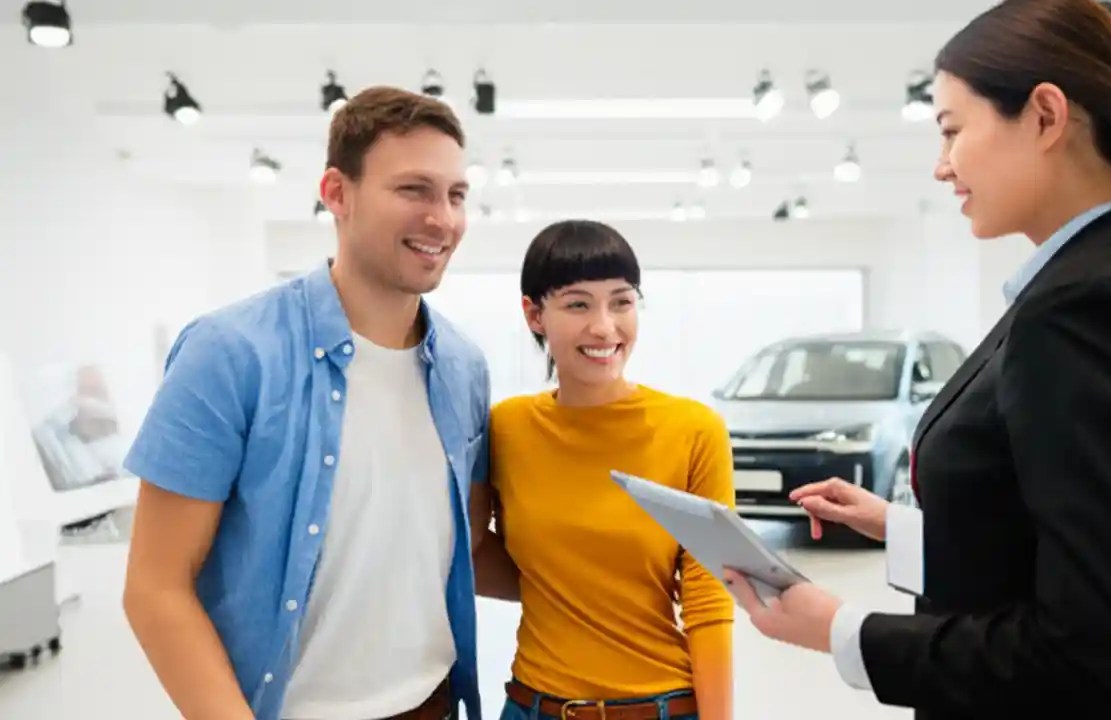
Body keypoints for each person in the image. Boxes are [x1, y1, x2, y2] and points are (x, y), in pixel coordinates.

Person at [724, 1, 1111, 719]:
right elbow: (1075, 550)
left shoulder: (1086, 314)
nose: (942, 165)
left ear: (1045, 116)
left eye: (953, 130)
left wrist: (840, 629)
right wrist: (904, 528)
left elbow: (1101, 652)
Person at [121, 87, 490, 720]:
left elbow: (467, 546)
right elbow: (155, 588)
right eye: (414, 190)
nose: (443, 219)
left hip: (431, 703)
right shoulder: (231, 353)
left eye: (456, 195)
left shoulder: (463, 367)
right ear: (337, 193)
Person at [471, 220, 734, 720]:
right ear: (534, 314)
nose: (604, 327)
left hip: (658, 708)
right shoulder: (507, 427)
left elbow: (708, 602)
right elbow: (478, 551)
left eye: (621, 301)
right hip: (531, 706)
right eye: (577, 304)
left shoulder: (693, 430)